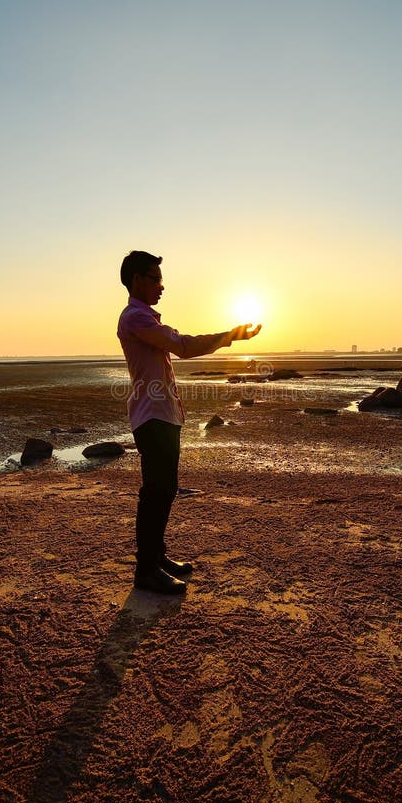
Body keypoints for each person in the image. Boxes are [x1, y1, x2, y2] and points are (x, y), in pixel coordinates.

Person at [117, 250, 261, 595]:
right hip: (151, 417)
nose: (162, 286)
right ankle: (146, 570)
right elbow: (181, 346)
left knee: (164, 491)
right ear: (137, 280)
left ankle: (156, 558)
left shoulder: (146, 319)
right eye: (155, 278)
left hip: (163, 415)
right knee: (156, 493)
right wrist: (230, 336)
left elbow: (176, 346)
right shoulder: (136, 319)